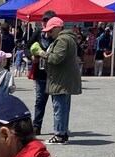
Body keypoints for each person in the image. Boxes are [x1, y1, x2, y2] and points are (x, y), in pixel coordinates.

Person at [37, 17, 81, 145]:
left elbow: (56, 58)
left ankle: (59, 135)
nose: (48, 34)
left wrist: (42, 53)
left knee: (59, 107)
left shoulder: (62, 39)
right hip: (64, 79)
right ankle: (63, 132)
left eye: (50, 31)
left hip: (61, 80)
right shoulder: (68, 38)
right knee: (63, 107)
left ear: (58, 28)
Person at [26, 11, 57, 135]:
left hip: (55, 75)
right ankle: (36, 126)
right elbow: (26, 47)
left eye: (48, 20)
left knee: (56, 103)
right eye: (44, 20)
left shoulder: (57, 36)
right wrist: (31, 57)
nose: (45, 23)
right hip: (40, 73)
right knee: (40, 101)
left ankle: (58, 129)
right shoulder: (38, 34)